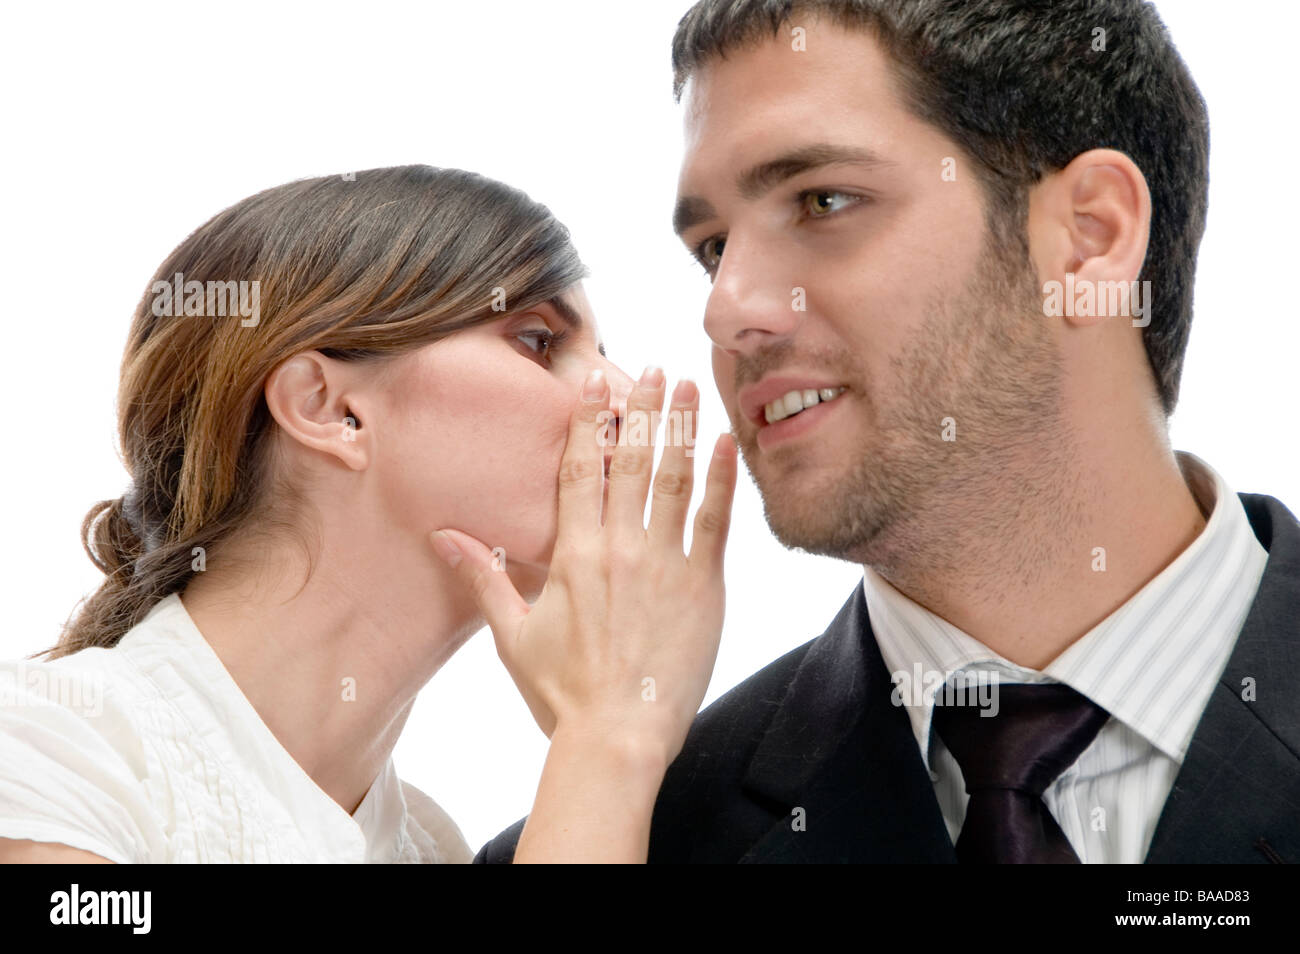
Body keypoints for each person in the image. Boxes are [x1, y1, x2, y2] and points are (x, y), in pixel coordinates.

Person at [475, 0, 1300, 863]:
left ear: (1091, 236)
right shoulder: (619, 837)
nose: (728, 311)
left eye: (822, 200)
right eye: (714, 249)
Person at [0, 165, 738, 863]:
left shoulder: (430, 844)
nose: (619, 388)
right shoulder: (42, 752)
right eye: (539, 341)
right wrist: (608, 738)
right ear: (329, 409)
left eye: (603, 351)